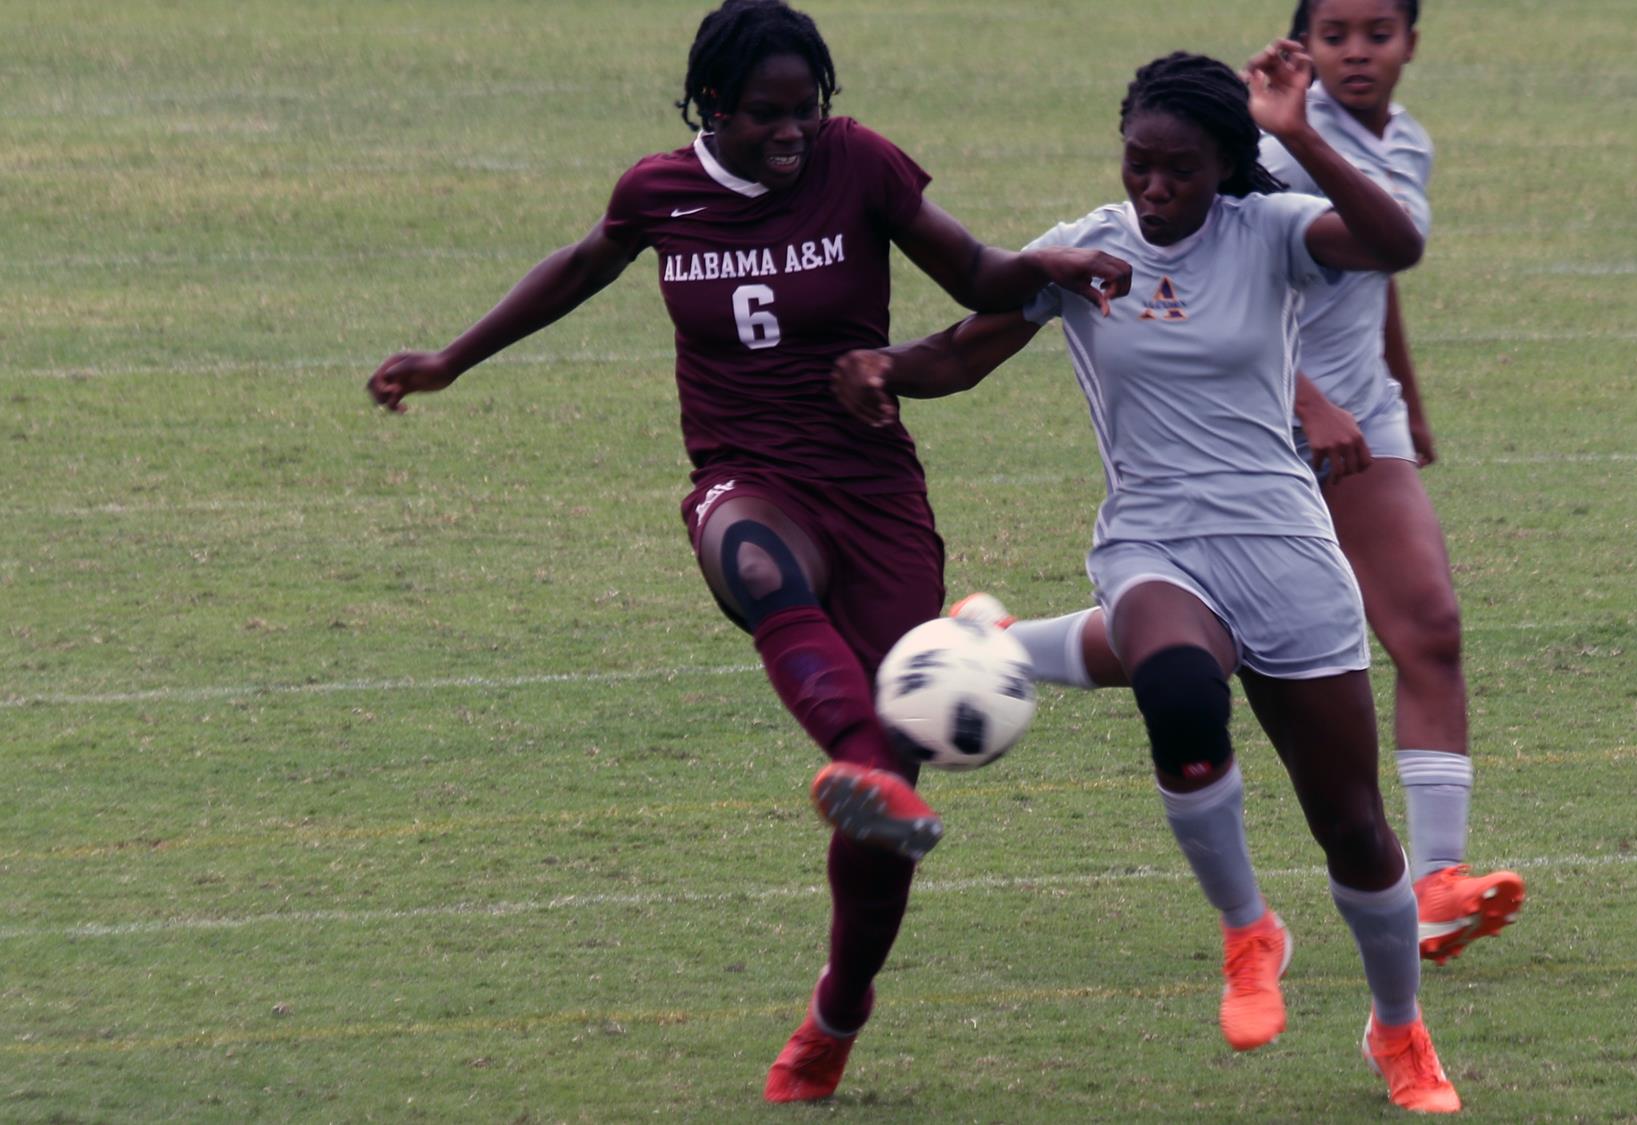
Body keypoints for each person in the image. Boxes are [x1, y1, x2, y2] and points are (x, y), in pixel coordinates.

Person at [364, 0, 1129, 1104]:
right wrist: (450, 359)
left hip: (872, 491)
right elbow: (582, 265)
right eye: (765, 116)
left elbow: (973, 276)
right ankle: (858, 763)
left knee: (884, 825)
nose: (790, 134)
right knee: (755, 567)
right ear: (709, 110)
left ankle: (839, 1008)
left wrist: (1044, 265)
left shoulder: (857, 164)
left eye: (804, 112)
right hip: (745, 471)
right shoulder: (657, 192)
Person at [834, 45, 1460, 1113]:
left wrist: (1300, 134)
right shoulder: (1085, 251)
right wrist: (886, 368)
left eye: (1178, 170)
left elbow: (1392, 243)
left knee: (1352, 825)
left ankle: (1398, 1031)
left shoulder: (1270, 234)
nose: (1154, 189)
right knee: (1176, 689)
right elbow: (963, 351)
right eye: (1137, 165)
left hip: (1283, 550)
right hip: (1153, 541)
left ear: (1223, 165)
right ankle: (1246, 930)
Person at [962, 0, 1525, 969]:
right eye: (1336, 32)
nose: (1356, 52)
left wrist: (1401, 397)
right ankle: (1015, 651)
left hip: (1361, 419)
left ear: (1411, 44)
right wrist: (1306, 398)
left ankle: (1434, 880)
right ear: (1299, 44)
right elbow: (1227, 294)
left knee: (1425, 625)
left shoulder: (1404, 141)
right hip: (1283, 423)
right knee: (1193, 650)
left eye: (1377, 31)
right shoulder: (1261, 142)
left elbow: (1369, 276)